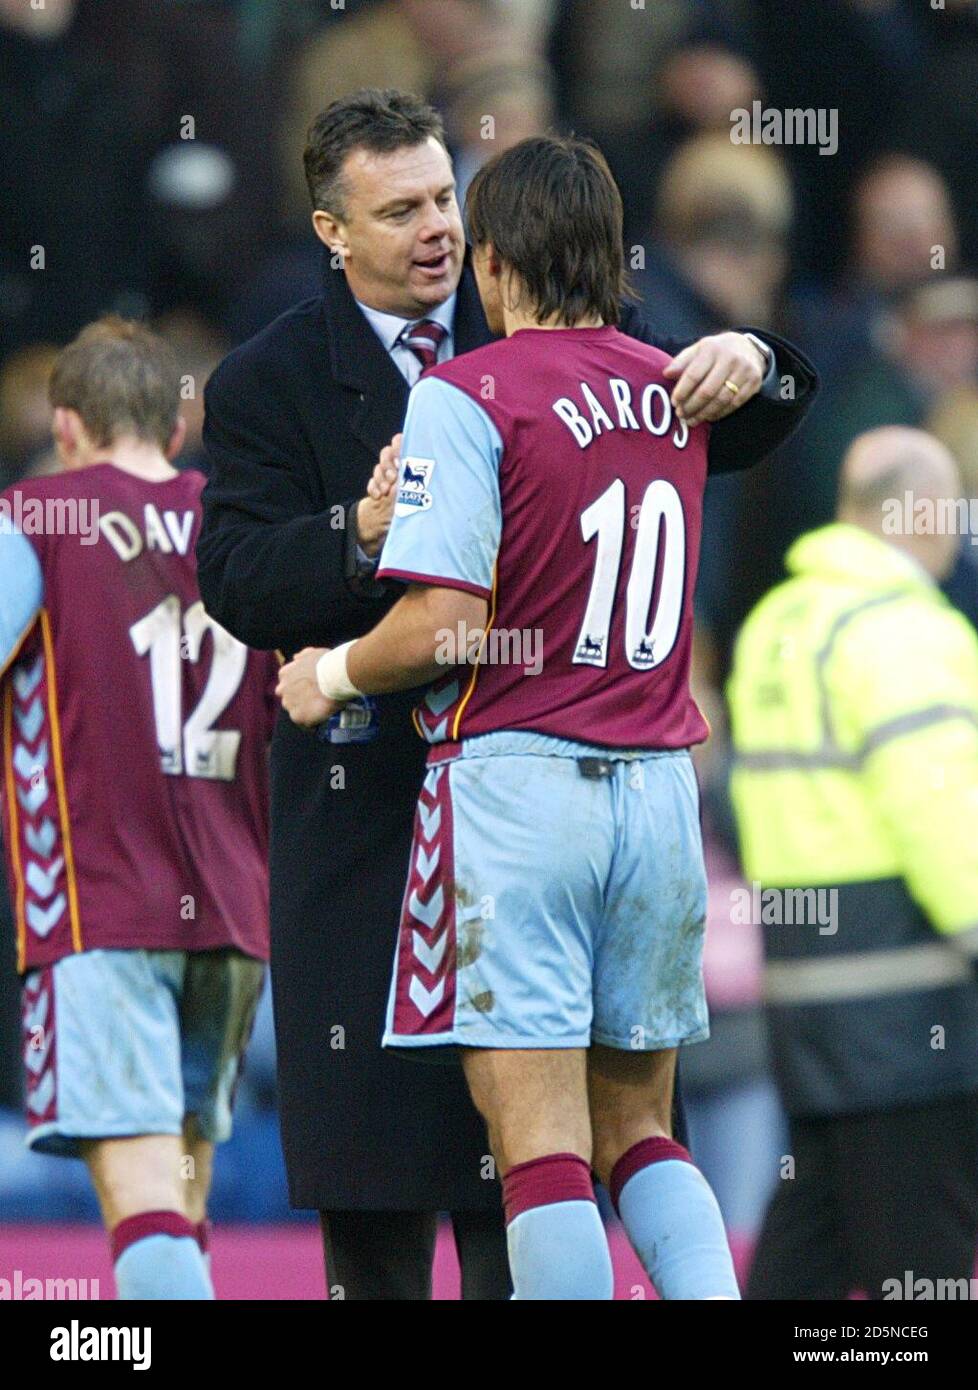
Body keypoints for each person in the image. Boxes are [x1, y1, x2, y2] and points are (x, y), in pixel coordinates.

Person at [199, 87, 817, 1301]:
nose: (434, 228)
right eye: (401, 209)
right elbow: (235, 576)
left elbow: (451, 619)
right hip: (411, 829)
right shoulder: (268, 381)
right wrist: (362, 528)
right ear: (333, 231)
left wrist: (761, 359)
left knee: (533, 1160)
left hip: (504, 792)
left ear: (488, 243)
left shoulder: (501, 369)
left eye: (445, 199)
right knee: (520, 1173)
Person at [0, 317, 276, 1299]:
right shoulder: (242, 522)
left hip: (102, 911)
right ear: (174, 426)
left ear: (65, 425)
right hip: (237, 917)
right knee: (186, 1195)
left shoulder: (32, 518)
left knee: (146, 1196)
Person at [727, 426, 978, 1300]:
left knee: (816, 1234)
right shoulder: (905, 628)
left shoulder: (778, 623)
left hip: (808, 991)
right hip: (908, 997)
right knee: (922, 1267)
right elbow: (942, 812)